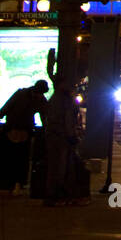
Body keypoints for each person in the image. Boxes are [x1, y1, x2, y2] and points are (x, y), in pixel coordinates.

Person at [0, 81, 49, 194]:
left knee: (13, 158)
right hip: (15, 128)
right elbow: (7, 106)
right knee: (14, 158)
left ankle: (12, 183)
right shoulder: (24, 95)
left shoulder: (32, 97)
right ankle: (9, 183)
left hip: (20, 129)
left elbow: (44, 114)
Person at [43, 75, 81, 207]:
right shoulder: (63, 100)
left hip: (56, 137)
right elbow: (67, 120)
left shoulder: (56, 99)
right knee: (60, 167)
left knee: (57, 167)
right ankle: (58, 195)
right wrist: (72, 136)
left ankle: (55, 195)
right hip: (61, 138)